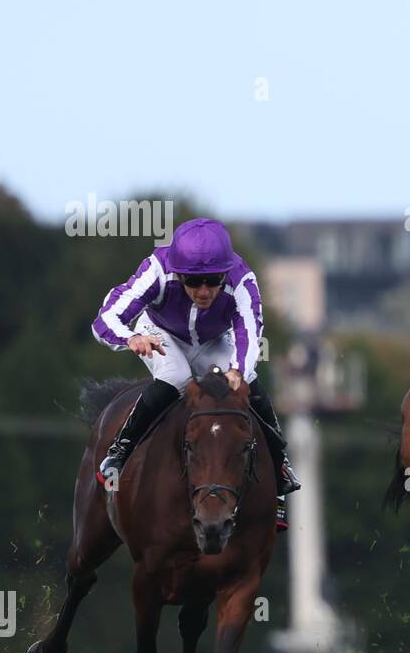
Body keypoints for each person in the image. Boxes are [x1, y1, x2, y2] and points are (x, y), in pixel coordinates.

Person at [91, 218, 300, 517]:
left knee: (248, 381)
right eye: (193, 281)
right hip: (161, 333)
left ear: (225, 273)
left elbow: (250, 334)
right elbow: (106, 318)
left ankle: (280, 469)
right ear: (178, 274)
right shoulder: (157, 270)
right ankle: (119, 451)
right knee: (176, 376)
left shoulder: (242, 280)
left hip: (213, 340)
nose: (204, 291)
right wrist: (131, 337)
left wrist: (237, 371)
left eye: (214, 280)